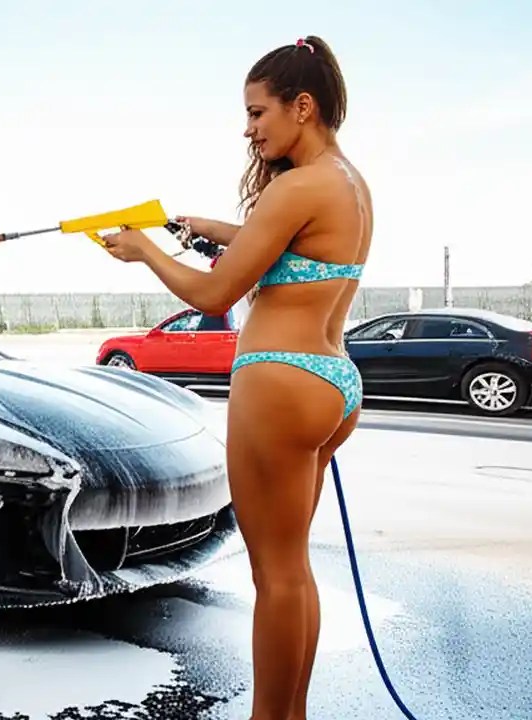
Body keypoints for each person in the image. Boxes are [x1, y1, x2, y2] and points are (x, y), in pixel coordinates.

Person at [99, 36, 370, 720]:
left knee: (273, 576)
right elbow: (274, 245)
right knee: (293, 571)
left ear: (301, 107)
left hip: (277, 381)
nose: (249, 128)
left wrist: (146, 252)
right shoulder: (346, 184)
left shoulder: (296, 186)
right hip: (332, 380)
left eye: (257, 112)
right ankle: (292, 713)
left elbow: (217, 292)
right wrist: (195, 225)